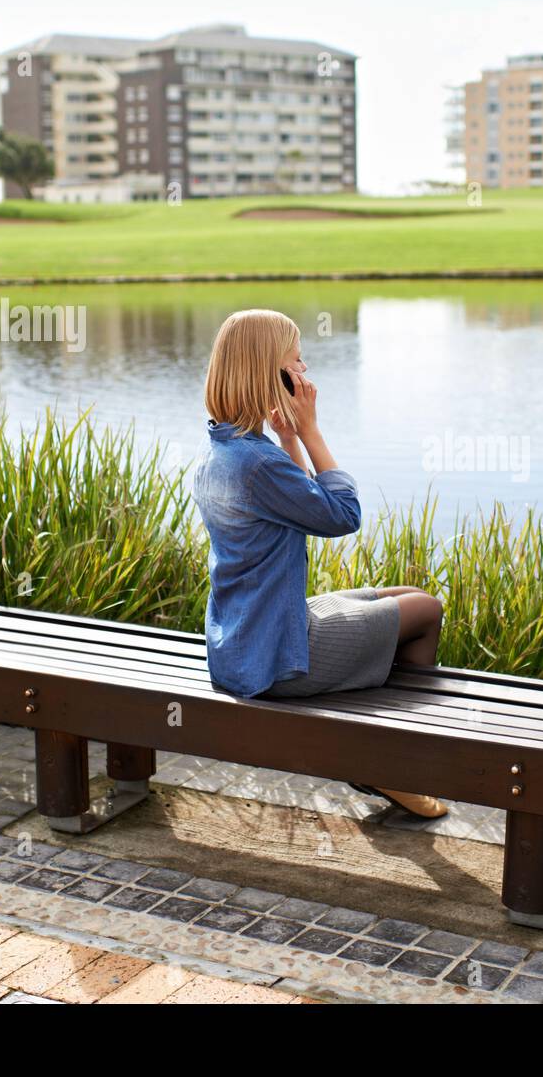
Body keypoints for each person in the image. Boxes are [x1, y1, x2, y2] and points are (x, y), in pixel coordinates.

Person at [191, 309, 447, 819]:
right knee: (428, 610)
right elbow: (342, 515)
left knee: (400, 596)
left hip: (241, 641)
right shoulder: (257, 464)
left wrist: (287, 438)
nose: (305, 370)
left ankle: (376, 747)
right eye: (296, 360)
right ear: (272, 373)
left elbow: (302, 503)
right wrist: (311, 432)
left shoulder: (225, 449)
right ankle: (394, 766)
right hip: (278, 658)